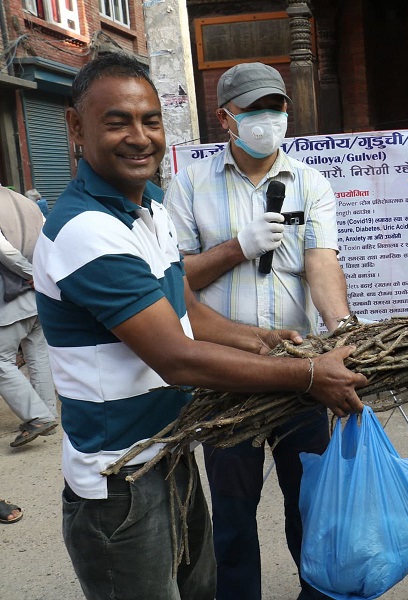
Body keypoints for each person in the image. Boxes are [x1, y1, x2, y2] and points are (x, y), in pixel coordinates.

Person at [32, 52, 366, 600]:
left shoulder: (151, 207)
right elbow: (176, 354)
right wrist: (307, 374)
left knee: (302, 513)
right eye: (117, 122)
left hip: (170, 447)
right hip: (121, 470)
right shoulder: (88, 230)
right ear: (76, 127)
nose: (139, 137)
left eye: (150, 121)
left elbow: (184, 306)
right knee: (231, 522)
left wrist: (265, 340)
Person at [164, 62, 352, 600]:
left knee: (311, 508)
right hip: (225, 375)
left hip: (301, 371)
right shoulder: (190, 184)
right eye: (253, 110)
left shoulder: (310, 183)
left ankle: (318, 593)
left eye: (275, 107)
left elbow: (321, 263)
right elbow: (173, 279)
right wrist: (237, 248)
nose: (267, 119)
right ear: (225, 118)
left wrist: (342, 327)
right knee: (232, 516)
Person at [0, 186, 58, 447]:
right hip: (37, 297)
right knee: (38, 354)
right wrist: (41, 274)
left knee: (1, 361)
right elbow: (48, 239)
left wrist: (30, 273)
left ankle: (37, 416)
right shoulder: (27, 202)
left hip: (11, 297)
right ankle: (47, 413)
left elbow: (5, 251)